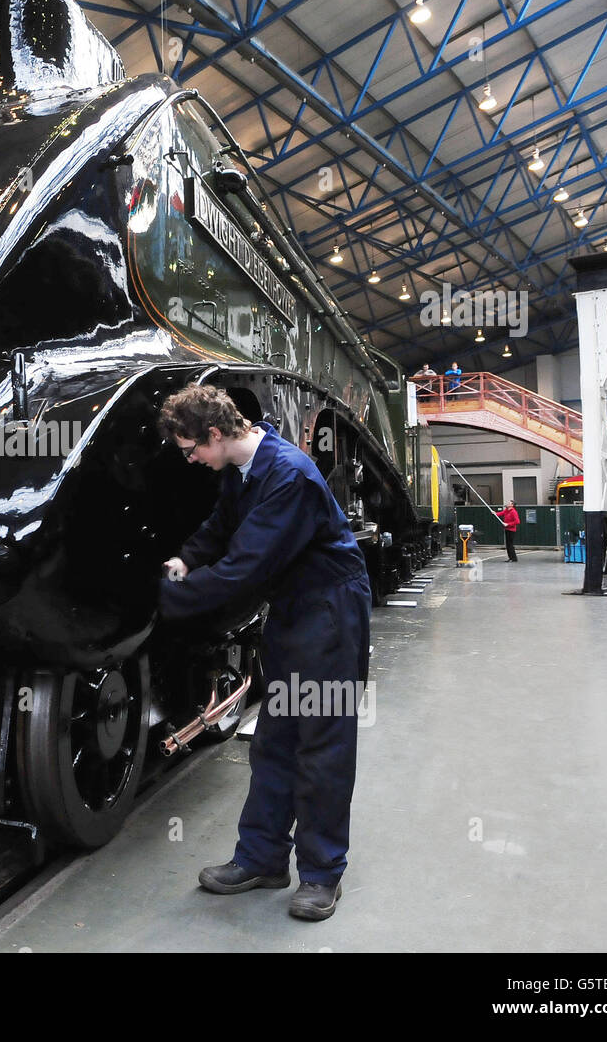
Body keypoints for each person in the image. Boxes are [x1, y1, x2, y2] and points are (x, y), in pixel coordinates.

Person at [157, 384, 371, 922]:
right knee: (276, 739)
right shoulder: (239, 470)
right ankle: (262, 860)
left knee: (321, 744)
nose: (191, 460)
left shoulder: (288, 476)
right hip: (294, 610)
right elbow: (220, 530)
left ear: (215, 433)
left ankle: (323, 875)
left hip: (330, 612)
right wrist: (184, 560)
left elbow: (245, 567)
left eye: (191, 450)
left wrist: (163, 601)